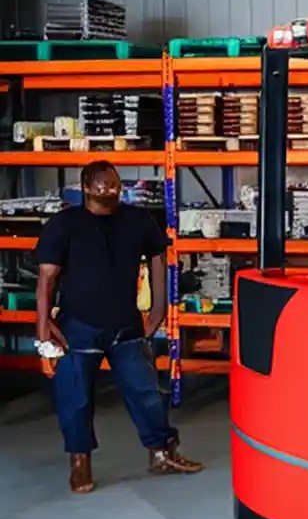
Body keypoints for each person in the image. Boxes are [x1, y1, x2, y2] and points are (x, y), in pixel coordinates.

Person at [35, 161, 204, 494]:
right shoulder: (64, 224)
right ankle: (80, 465)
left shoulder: (137, 220)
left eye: (114, 184)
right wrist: (43, 325)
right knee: (75, 399)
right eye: (102, 185)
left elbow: (158, 259)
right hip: (77, 327)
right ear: (86, 188)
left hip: (126, 326)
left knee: (147, 394)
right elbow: (46, 277)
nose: (110, 190)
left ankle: (162, 453)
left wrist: (159, 308)